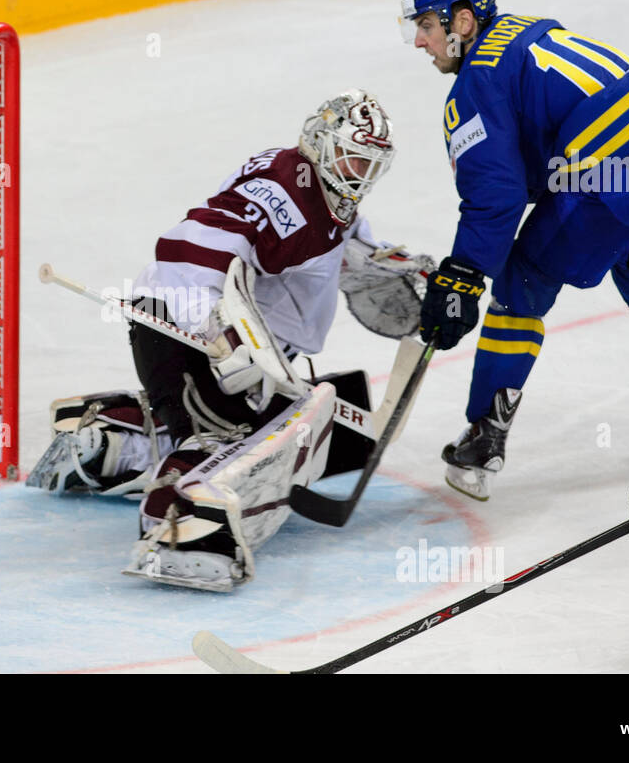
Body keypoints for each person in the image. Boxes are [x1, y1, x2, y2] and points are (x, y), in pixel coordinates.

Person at [27, 90, 433, 590]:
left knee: (275, 425)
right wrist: (220, 334)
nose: (360, 175)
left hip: (233, 341)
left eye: (371, 165)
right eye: (353, 158)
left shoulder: (320, 187)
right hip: (184, 330)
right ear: (323, 145)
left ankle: (108, 436)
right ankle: (177, 528)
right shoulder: (283, 195)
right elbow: (186, 247)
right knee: (229, 442)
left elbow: (334, 243)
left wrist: (393, 263)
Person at [399, 0, 629, 500]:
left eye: (427, 26)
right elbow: (542, 157)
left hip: (625, 168)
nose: (418, 42)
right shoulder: (526, 30)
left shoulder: (475, 83)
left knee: (520, 284)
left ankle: (484, 437)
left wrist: (463, 275)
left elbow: (497, 197)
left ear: (462, 22)